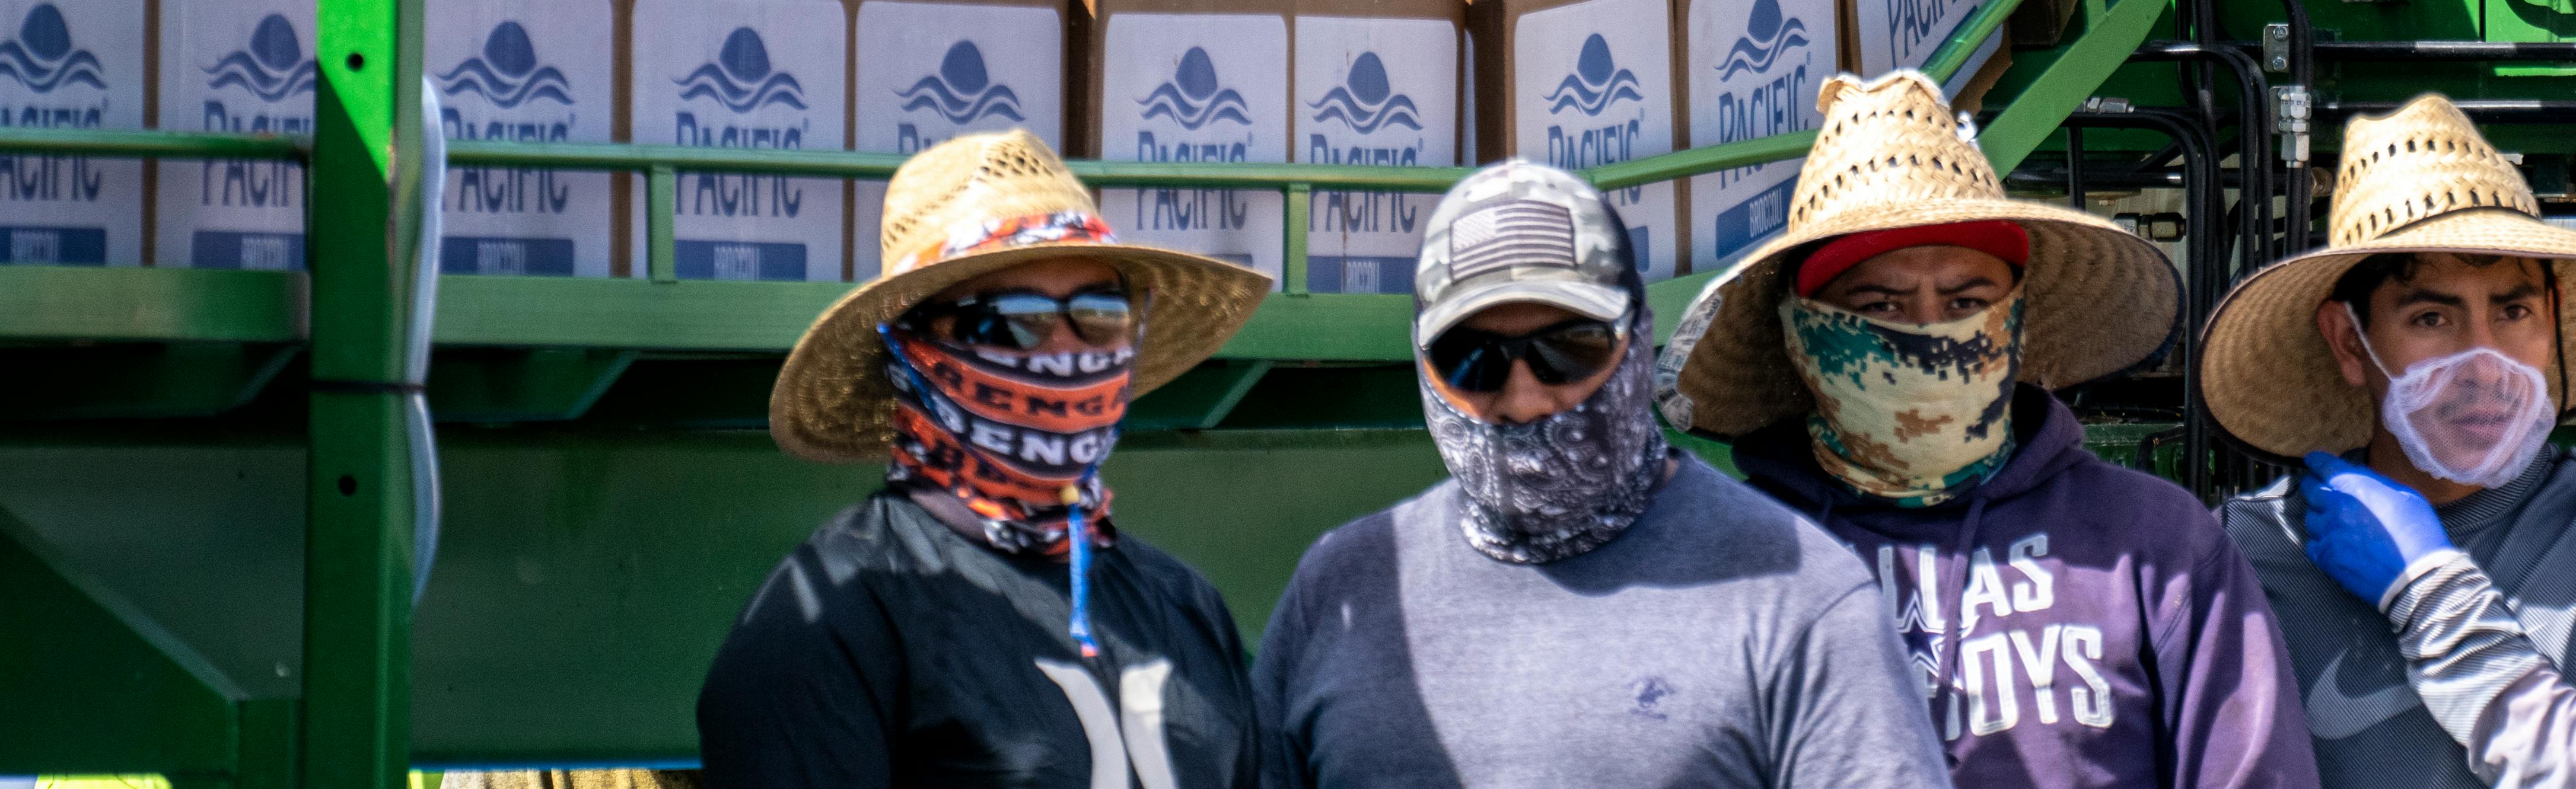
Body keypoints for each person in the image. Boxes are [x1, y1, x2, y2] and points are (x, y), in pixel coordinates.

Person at [1671, 70, 2319, 789]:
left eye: (1965, 300)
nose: (1927, 333)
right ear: (1802, 336)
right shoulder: (1741, 561)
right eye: (1880, 303)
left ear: (2013, 323)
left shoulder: (2155, 542)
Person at [1246, 155, 1951, 789]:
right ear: (1422, 365)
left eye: (1569, 348)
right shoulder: (1338, 588)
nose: (1523, 399)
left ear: (1639, 341)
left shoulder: (1796, 597)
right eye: (1472, 358)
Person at [703, 128, 1273, 789]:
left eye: (1098, 311)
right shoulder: (834, 621)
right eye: (1007, 319)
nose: (1062, 348)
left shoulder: (1185, 605)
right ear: (912, 352)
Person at [2198, 97, 2576, 789]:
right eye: (2430, 317)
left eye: (2513, 311)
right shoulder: (2245, 551)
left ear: (2552, 320)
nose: (2484, 362)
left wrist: (2429, 591)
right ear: (2348, 341)